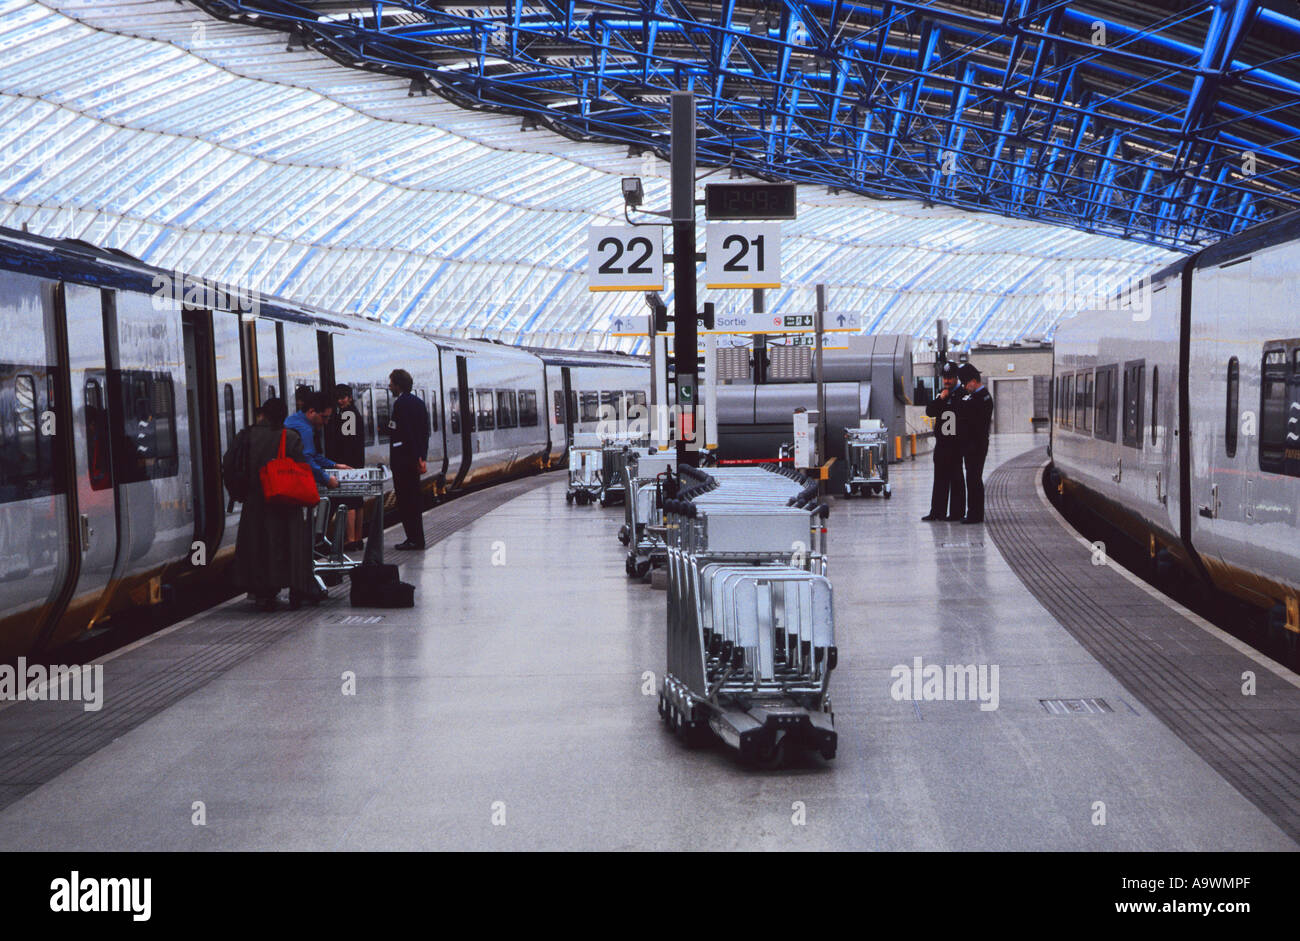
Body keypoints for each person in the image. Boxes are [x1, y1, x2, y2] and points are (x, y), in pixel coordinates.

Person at [226, 398, 319, 610]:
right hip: (285, 502)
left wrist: (238, 492)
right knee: (288, 546)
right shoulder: (291, 437)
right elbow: (302, 468)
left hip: (255, 503)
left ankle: (262, 594)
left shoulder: (246, 436)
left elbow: (229, 463)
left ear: (264, 415)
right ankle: (295, 589)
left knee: (257, 547)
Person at [388, 368, 430, 550]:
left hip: (403, 461)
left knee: (406, 502)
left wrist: (388, 429)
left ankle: (413, 539)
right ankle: (416, 537)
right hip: (414, 459)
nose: (389, 386)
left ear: (398, 385)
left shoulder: (400, 404)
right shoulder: (419, 403)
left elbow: (405, 433)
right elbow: (423, 433)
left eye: (391, 383)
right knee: (414, 501)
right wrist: (422, 457)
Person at [921, 360, 966, 522]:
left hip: (955, 444)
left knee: (956, 479)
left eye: (950, 378)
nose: (947, 381)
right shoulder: (941, 394)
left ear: (956, 378)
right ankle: (937, 511)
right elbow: (930, 411)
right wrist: (941, 399)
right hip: (942, 444)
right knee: (939, 479)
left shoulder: (962, 394)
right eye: (945, 378)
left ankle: (956, 512)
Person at [325, 383, 367, 550]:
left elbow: (347, 442)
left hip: (348, 464)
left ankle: (350, 539)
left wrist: (341, 464)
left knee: (349, 500)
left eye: (343, 397)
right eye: (338, 398)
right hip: (355, 463)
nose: (340, 401)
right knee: (357, 500)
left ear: (349, 397)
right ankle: (357, 537)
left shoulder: (347, 414)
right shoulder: (352, 412)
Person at [286, 391, 350, 488]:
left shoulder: (292, 419)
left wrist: (334, 465)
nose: (326, 422)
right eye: (324, 417)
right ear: (311, 412)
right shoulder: (304, 429)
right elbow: (307, 459)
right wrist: (327, 480)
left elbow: (312, 455)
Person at [956, 362, 993, 524]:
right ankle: (973, 512)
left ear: (973, 381)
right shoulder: (977, 397)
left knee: (974, 479)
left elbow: (971, 420)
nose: (965, 387)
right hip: (972, 444)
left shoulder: (982, 397)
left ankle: (975, 514)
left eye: (965, 383)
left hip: (977, 445)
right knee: (972, 478)